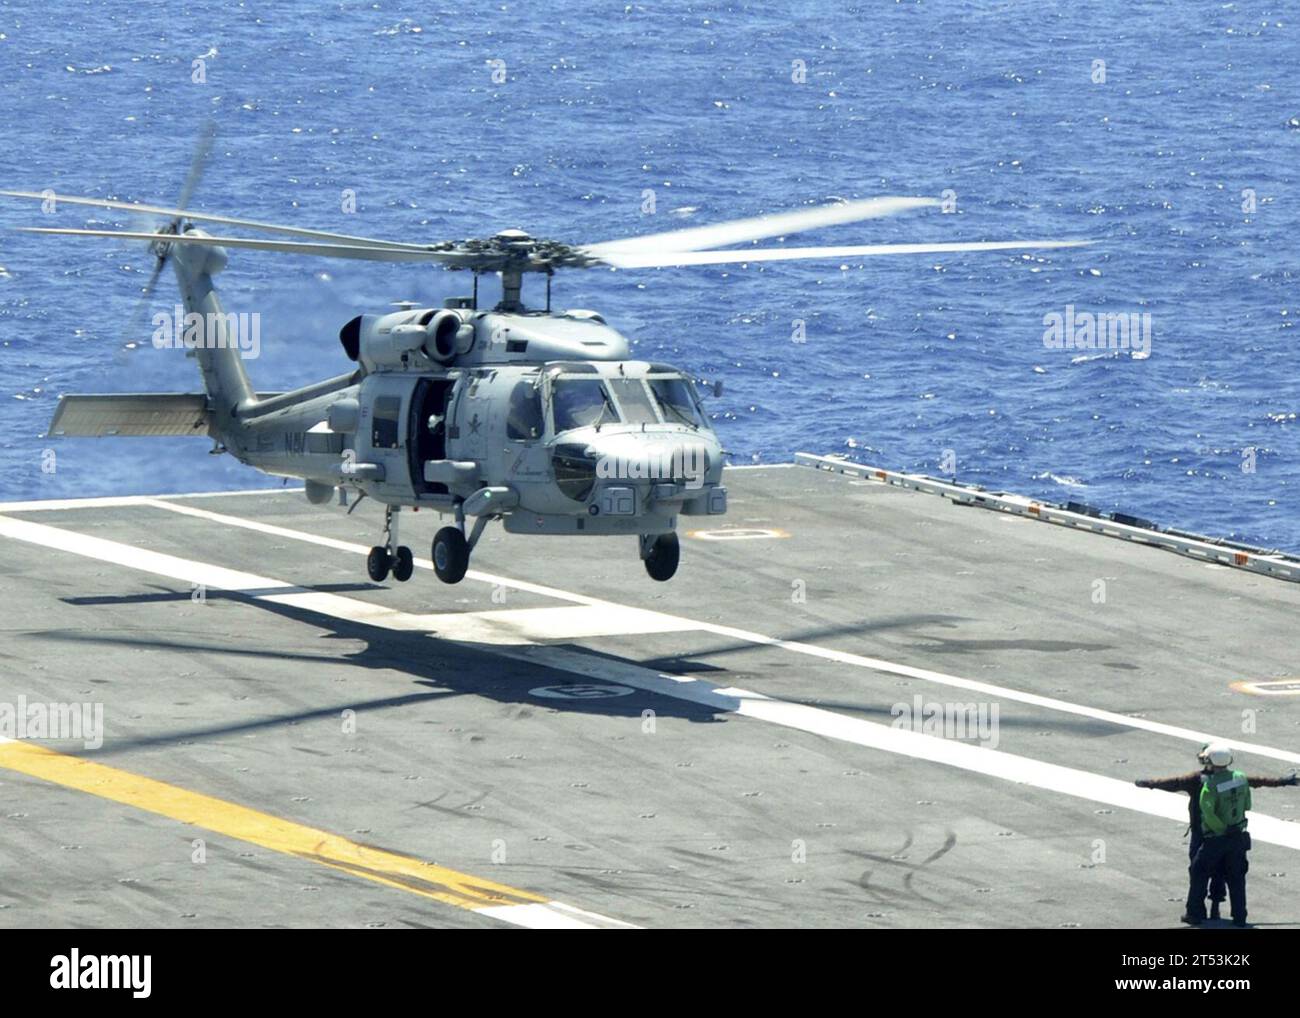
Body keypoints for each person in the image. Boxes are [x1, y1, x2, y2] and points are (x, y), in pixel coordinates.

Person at [1135, 744, 1296, 922]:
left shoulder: (1201, 780)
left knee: (1198, 873)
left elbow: (1174, 783)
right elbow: (1258, 781)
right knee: (1233, 876)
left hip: (1206, 835)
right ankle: (1235, 915)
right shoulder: (1237, 778)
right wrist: (1283, 781)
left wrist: (1148, 783)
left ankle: (1195, 913)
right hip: (1235, 835)